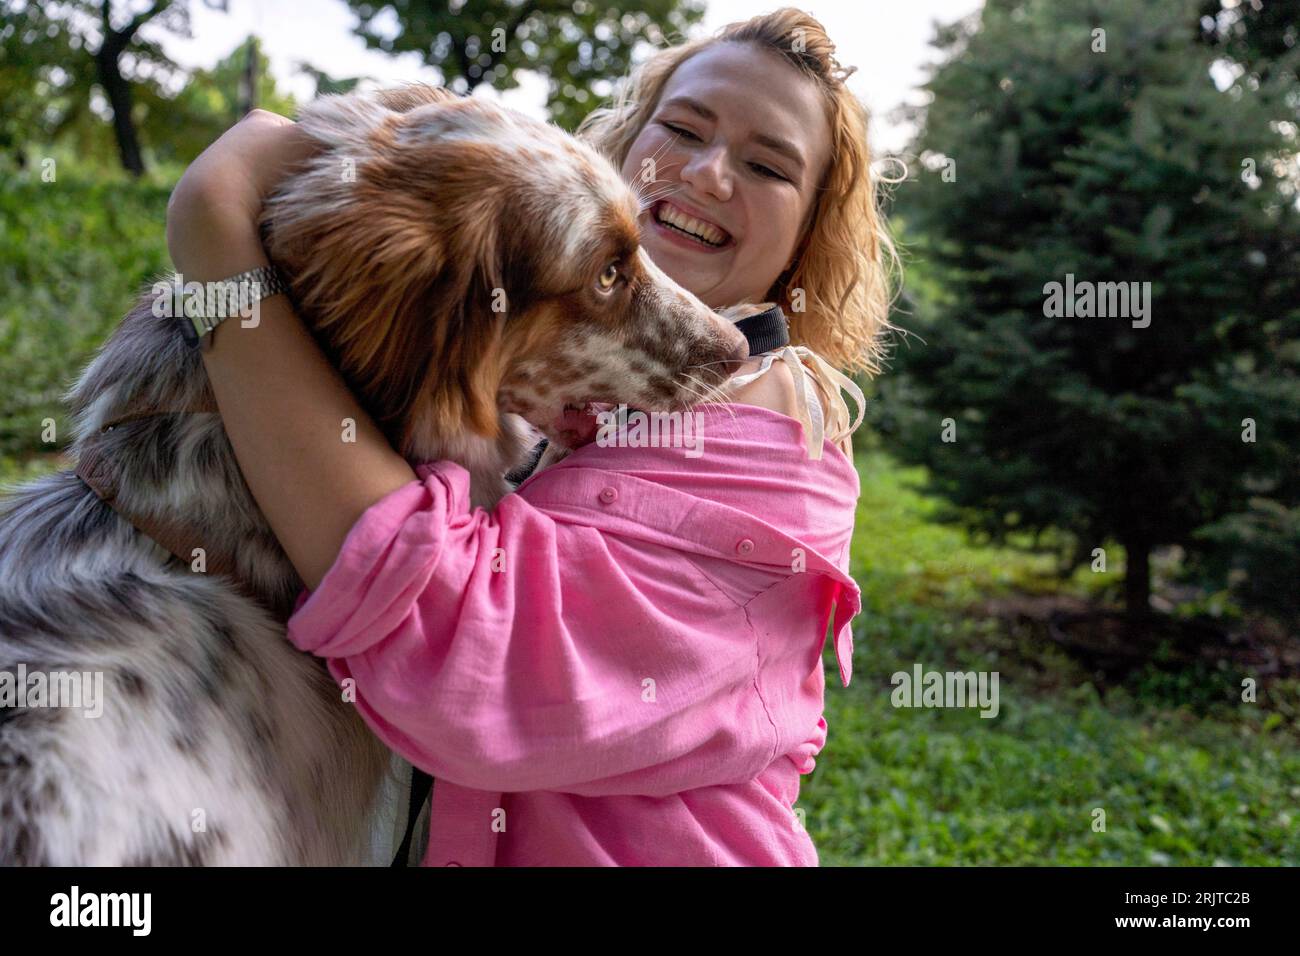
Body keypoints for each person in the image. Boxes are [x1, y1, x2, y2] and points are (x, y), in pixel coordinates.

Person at [165, 7, 899, 866]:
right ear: (627, 145)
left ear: (806, 236)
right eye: (683, 127)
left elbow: (470, 655)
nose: (707, 174)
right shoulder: (562, 366)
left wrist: (217, 237)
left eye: (767, 165)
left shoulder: (773, 415)